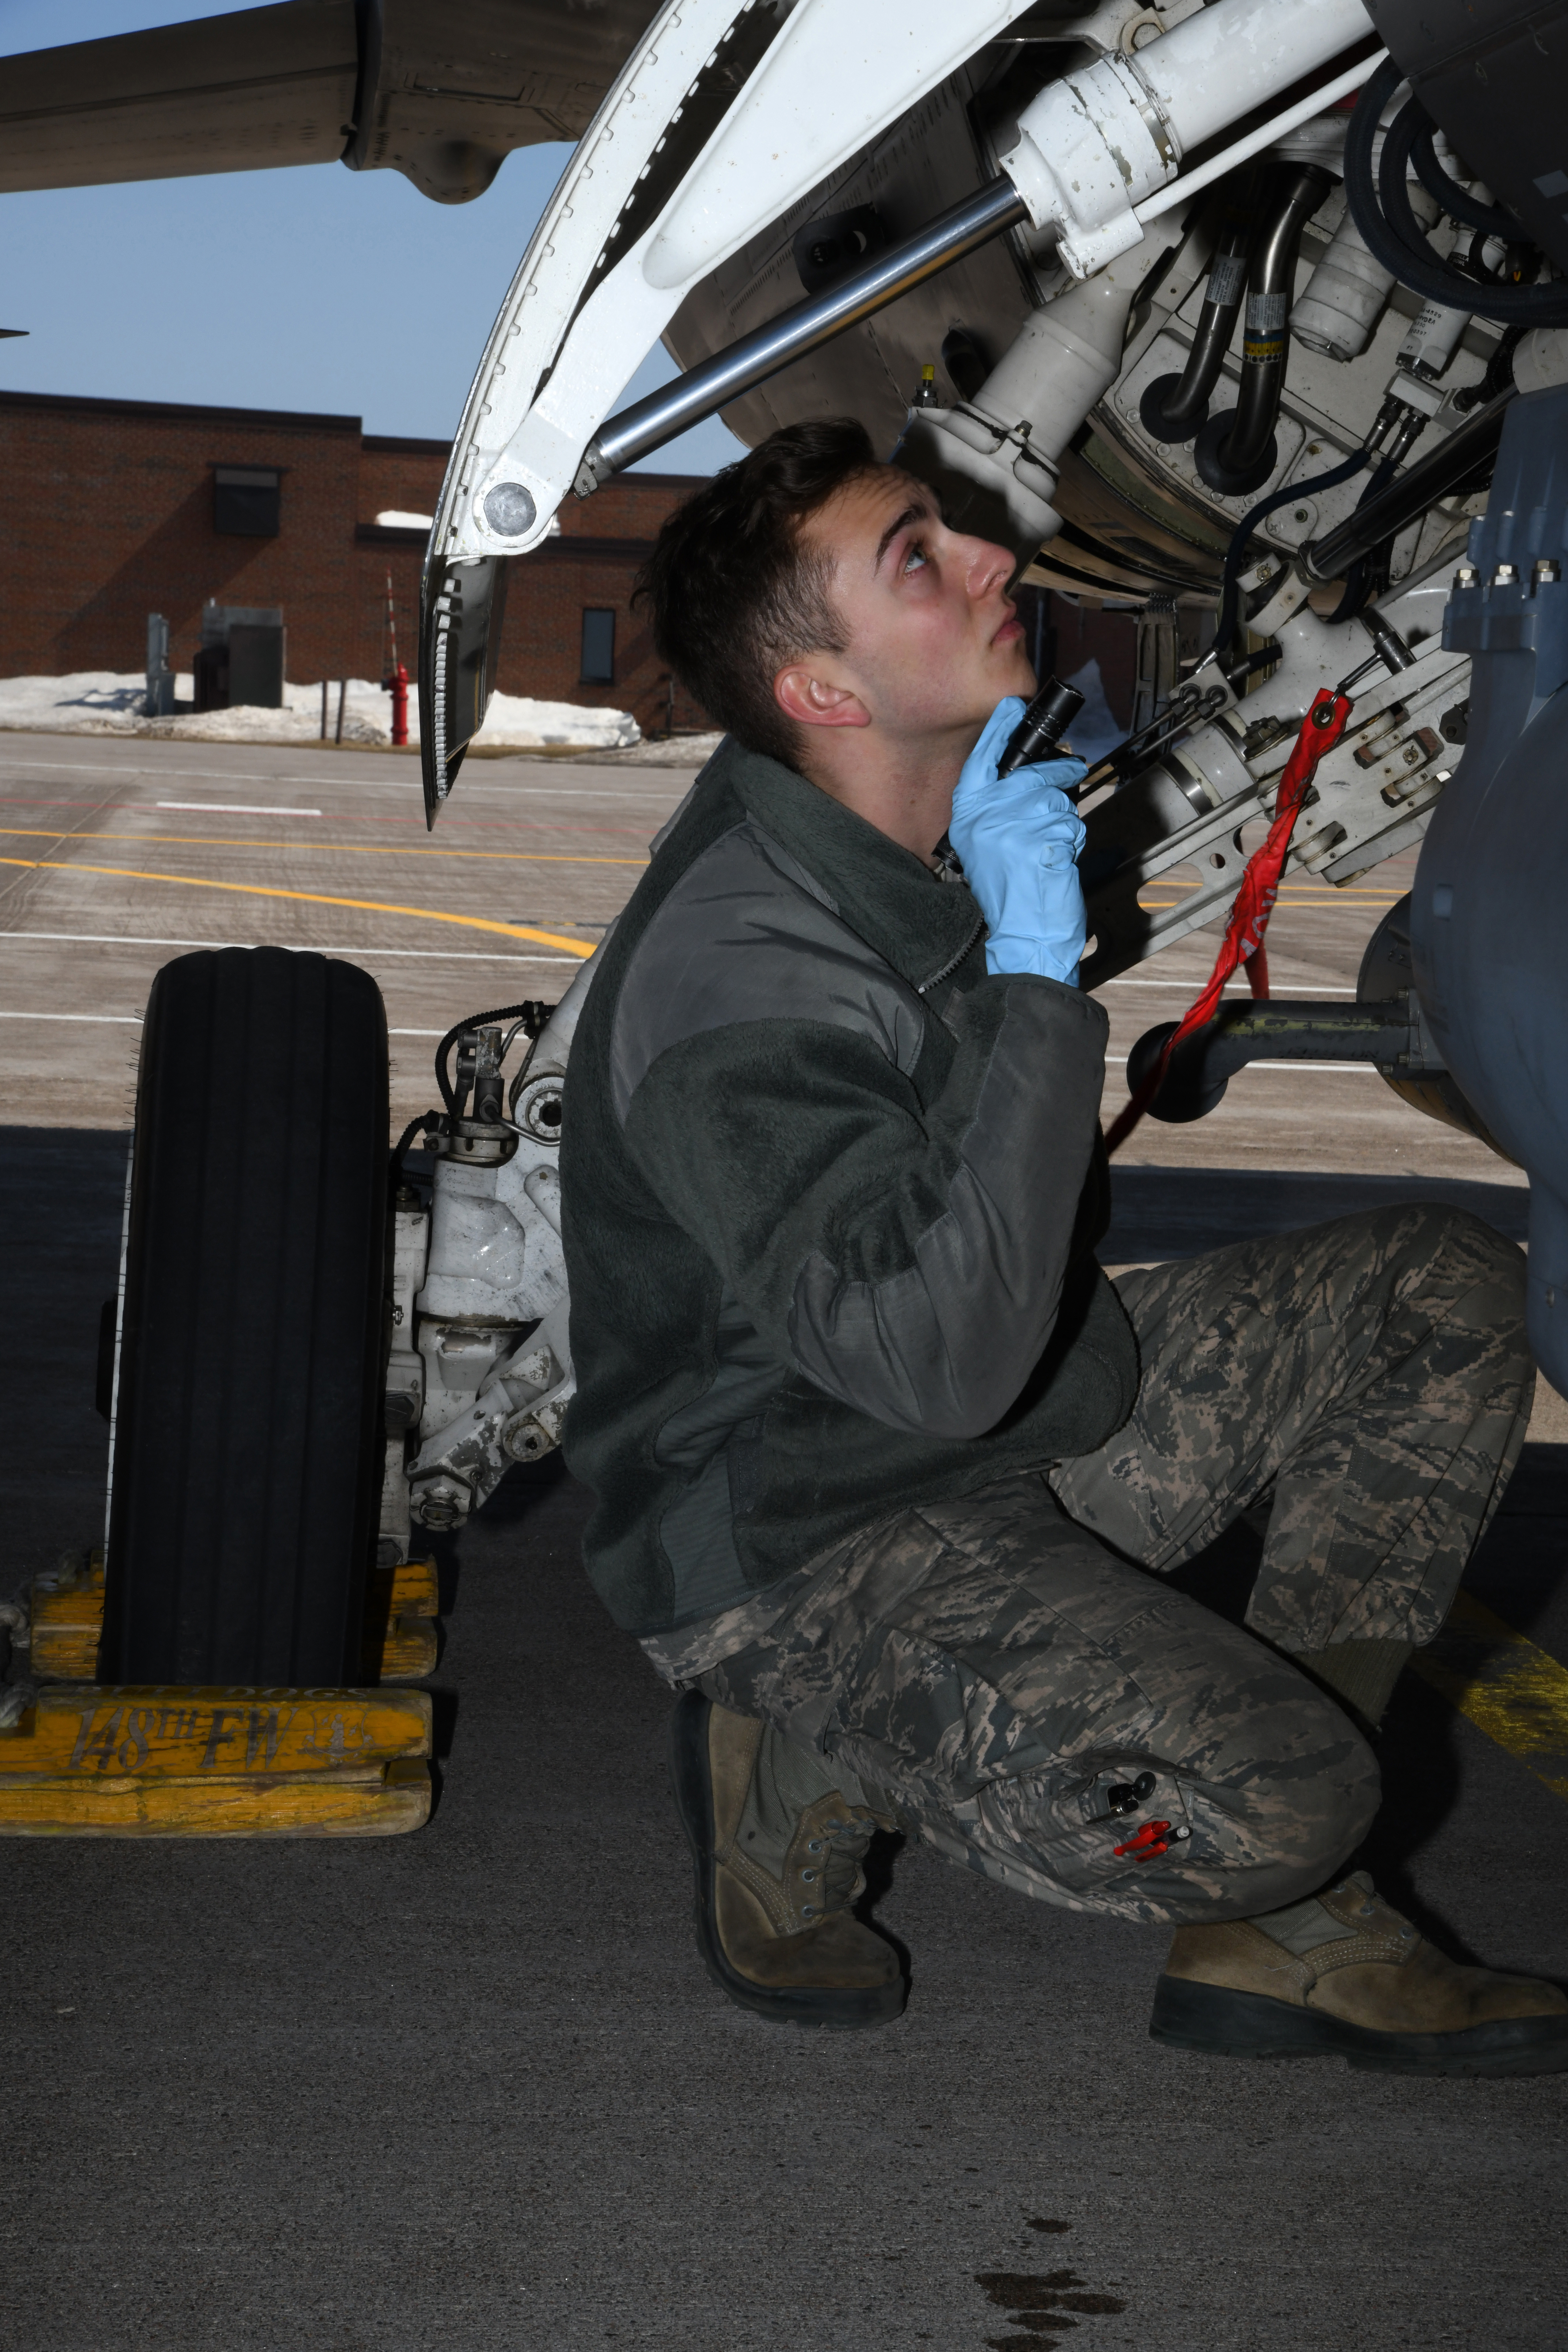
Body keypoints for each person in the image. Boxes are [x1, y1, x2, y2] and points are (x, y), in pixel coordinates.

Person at [558, 418, 1566, 2075]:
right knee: (1281, 1800)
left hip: (969, 1415)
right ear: (824, 691)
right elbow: (943, 1360)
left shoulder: (880, 829)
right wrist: (1039, 985)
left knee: (1436, 1299)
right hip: (800, 1530)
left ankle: (1276, 1936)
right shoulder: (745, 984)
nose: (993, 557)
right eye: (919, 560)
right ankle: (816, 1750)